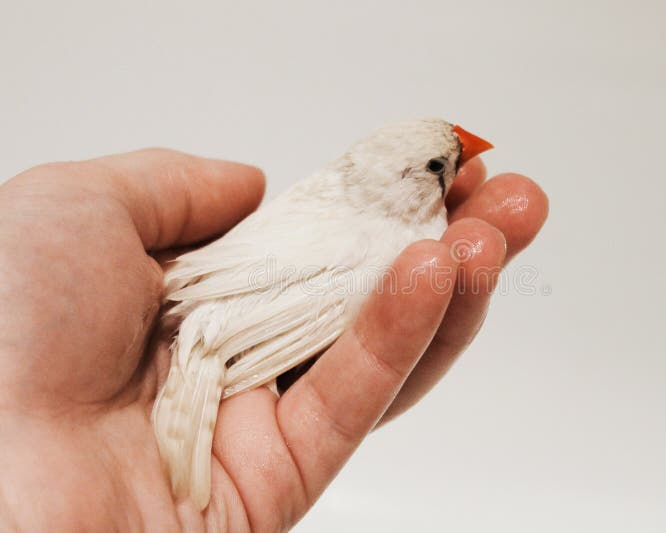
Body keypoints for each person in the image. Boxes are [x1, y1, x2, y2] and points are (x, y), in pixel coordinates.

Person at [0, 148, 548, 531]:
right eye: (438, 165)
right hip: (213, 327)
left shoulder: (344, 205)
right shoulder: (392, 236)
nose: (456, 164)